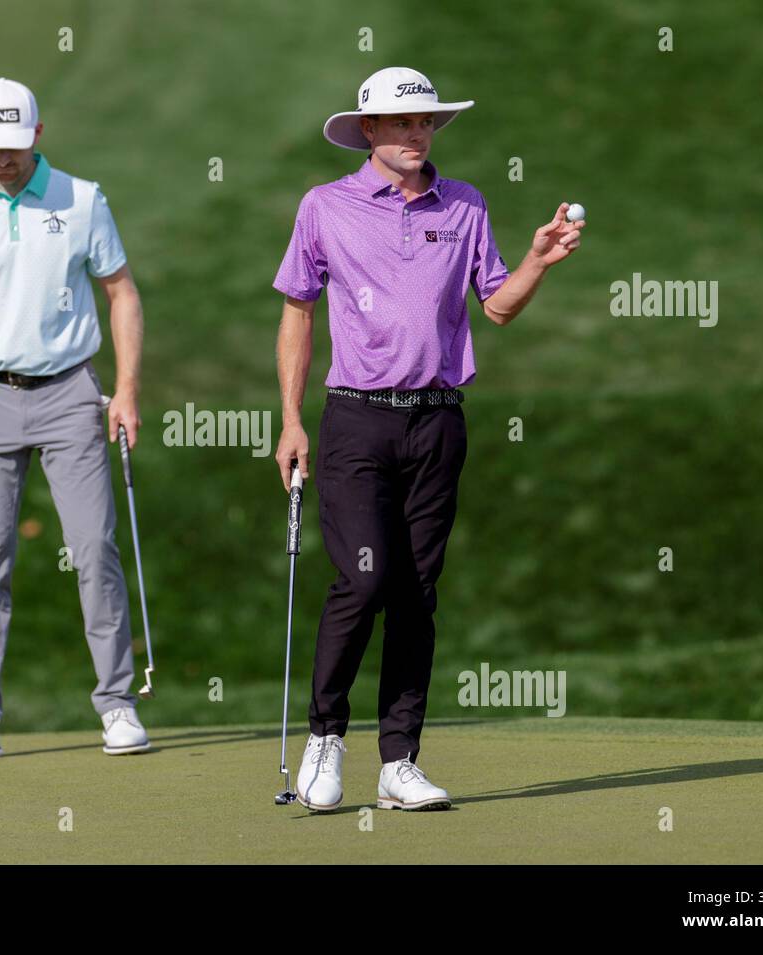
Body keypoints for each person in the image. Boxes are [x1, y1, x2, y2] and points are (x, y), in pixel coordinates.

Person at [272, 66, 584, 810]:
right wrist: (289, 418)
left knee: (416, 591)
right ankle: (325, 737)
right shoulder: (325, 207)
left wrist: (538, 260)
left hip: (438, 419)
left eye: (426, 124)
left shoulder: (466, 204)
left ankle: (400, 759)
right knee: (363, 579)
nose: (418, 135)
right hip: (355, 418)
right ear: (370, 131)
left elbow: (498, 309)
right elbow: (298, 312)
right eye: (402, 124)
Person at [0, 77, 150, 761]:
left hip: (69, 392)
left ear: (36, 136)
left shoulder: (82, 200)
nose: (2, 160)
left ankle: (117, 704)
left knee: (93, 548)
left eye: (13, 146)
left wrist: (126, 389)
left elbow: (121, 293)